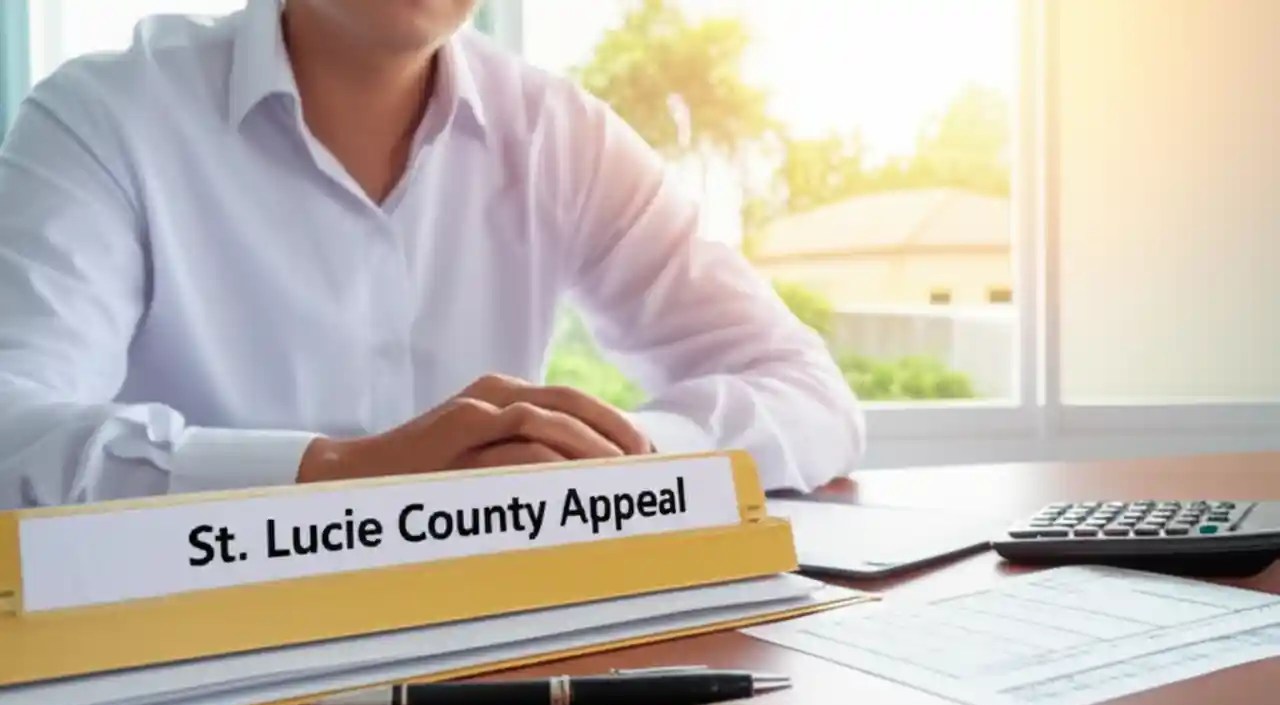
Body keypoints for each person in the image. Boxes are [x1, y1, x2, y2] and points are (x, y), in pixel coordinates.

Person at [0, 0, 863, 509]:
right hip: (189, 652)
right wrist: (337, 474)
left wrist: (597, 458)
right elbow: (11, 433)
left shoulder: (558, 134)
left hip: (500, 651)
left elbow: (812, 397)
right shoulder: (104, 120)